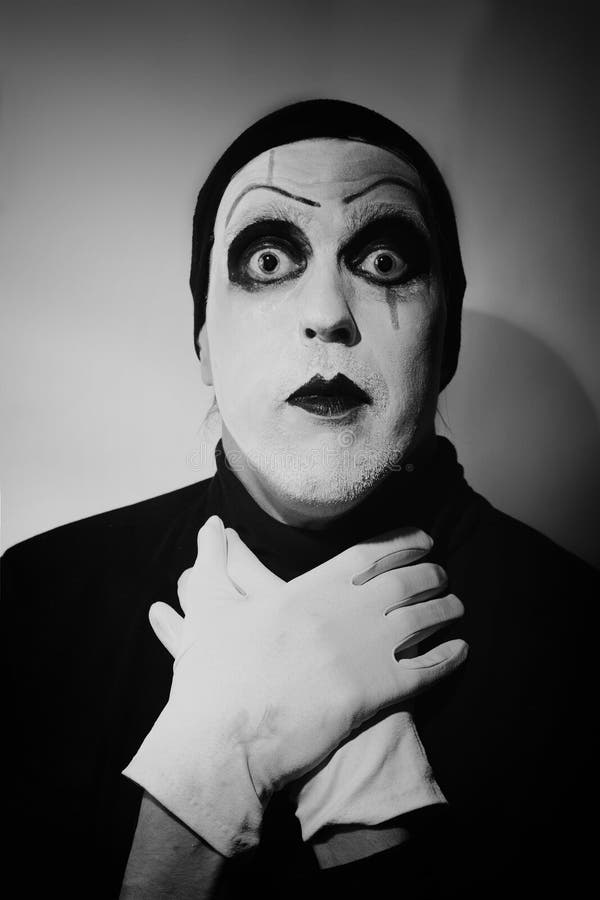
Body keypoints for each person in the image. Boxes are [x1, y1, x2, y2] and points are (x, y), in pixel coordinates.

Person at [2, 100, 597, 900]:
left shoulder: (581, 642)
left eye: (384, 262)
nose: (326, 315)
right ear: (204, 337)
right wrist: (215, 758)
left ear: (447, 335)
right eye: (269, 261)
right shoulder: (37, 602)